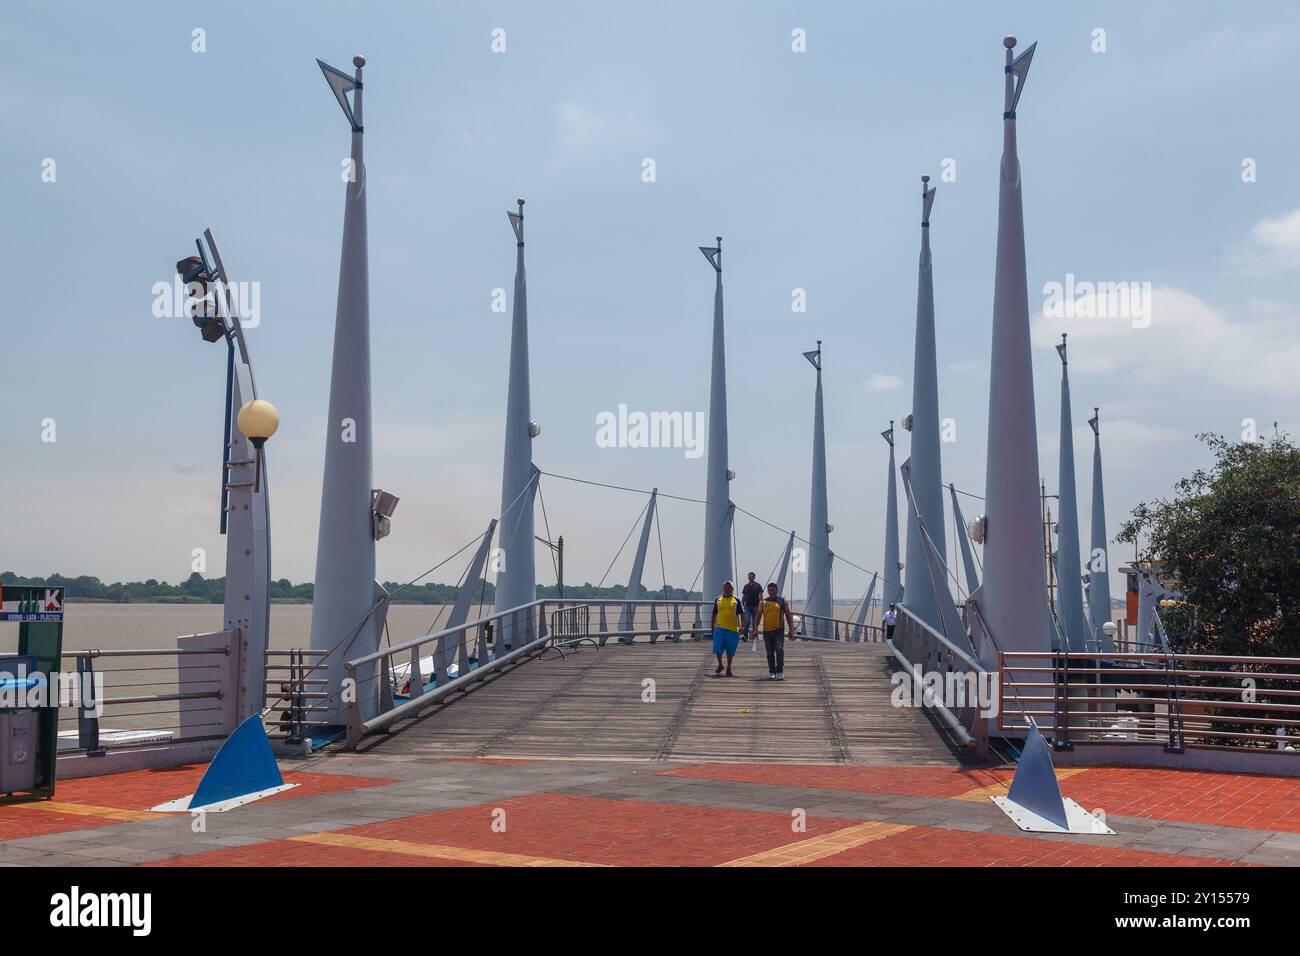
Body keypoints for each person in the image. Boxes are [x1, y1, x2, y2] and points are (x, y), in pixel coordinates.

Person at [757, 581, 796, 680]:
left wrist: (791, 629)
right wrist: (755, 629)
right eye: (769, 590)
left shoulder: (782, 601)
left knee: (779, 650)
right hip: (767, 631)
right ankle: (772, 671)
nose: (771, 592)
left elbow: (788, 615)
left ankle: (780, 671)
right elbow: (758, 616)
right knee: (769, 652)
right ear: (767, 591)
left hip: (778, 630)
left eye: (773, 590)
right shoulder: (763, 602)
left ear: (777, 590)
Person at [710, 581, 743, 677]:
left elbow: (742, 613)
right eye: (725, 587)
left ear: (732, 589)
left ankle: (729, 667)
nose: (727, 589)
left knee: (730, 649)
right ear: (723, 588)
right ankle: (720, 664)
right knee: (717, 647)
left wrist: (742, 626)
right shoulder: (718, 599)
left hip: (732, 629)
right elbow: (714, 613)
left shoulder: (736, 600)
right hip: (720, 627)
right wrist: (712, 626)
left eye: (729, 587)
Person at [740, 572, 763, 642]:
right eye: (749, 576)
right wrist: (742, 603)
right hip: (747, 606)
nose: (751, 578)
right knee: (746, 621)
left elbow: (761, 595)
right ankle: (745, 636)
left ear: (754, 577)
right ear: (748, 577)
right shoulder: (746, 586)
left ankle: (755, 636)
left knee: (755, 622)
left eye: (752, 576)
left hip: (756, 606)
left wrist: (761, 604)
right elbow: (744, 596)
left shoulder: (758, 585)